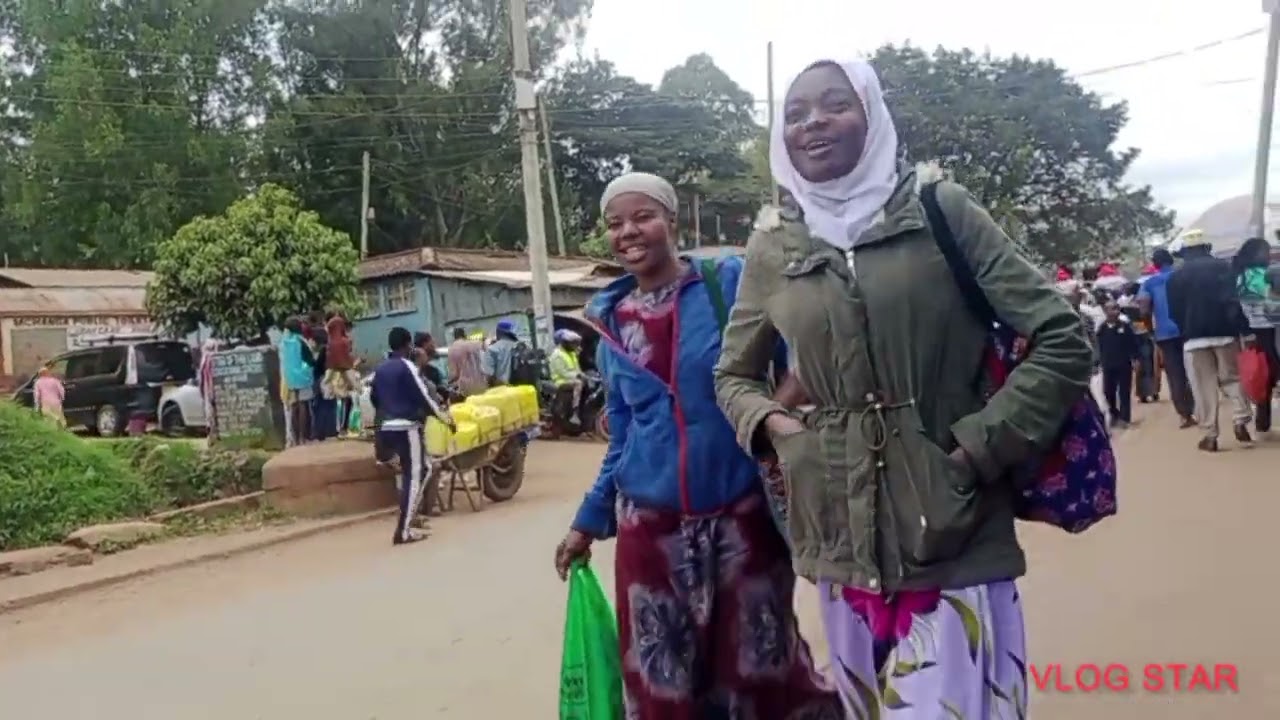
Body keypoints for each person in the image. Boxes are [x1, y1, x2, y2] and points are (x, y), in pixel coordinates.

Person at [713, 60, 1093, 717]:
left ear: (872, 113)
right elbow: (733, 374)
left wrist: (975, 448)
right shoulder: (775, 243)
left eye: (836, 104)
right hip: (840, 537)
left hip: (954, 532)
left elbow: (1062, 337)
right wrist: (786, 434)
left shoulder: (938, 210)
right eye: (796, 113)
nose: (814, 123)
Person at [552, 172, 837, 718]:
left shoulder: (725, 284)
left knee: (761, 674)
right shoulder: (611, 325)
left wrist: (769, 416)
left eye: (643, 216)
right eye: (615, 224)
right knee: (662, 685)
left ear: (673, 221)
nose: (629, 232)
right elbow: (623, 437)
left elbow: (809, 353)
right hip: (650, 531)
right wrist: (586, 523)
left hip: (743, 520)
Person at [1166, 231, 1252, 451]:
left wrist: (1186, 327)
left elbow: (1174, 312)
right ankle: (1240, 418)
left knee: (1203, 386)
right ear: (1207, 248)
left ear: (1185, 253)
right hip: (1225, 333)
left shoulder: (1176, 277)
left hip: (1193, 338)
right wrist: (1242, 330)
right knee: (1232, 378)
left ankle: (1211, 435)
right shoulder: (1224, 268)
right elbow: (1235, 301)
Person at [369, 327, 454, 545]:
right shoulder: (407, 366)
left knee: (417, 471)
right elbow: (424, 396)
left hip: (386, 426)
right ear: (408, 345)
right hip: (407, 427)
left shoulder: (380, 369)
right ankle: (404, 529)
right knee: (418, 472)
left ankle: (407, 521)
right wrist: (445, 419)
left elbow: (374, 397)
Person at [1139, 248, 1197, 428]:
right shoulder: (1183, 276)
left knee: (1175, 374)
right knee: (1194, 369)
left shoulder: (1150, 283)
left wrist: (1150, 329)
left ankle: (1185, 415)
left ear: (1155, 264)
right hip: (1189, 329)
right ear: (1171, 261)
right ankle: (1200, 407)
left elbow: (1143, 308)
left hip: (1164, 334)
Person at [1234, 237, 1280, 432]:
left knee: (1263, 375)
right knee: (1273, 371)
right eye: (1267, 251)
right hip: (1273, 327)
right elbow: (1273, 302)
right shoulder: (1262, 275)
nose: (1269, 255)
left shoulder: (1241, 276)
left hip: (1254, 331)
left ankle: (1263, 420)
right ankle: (1263, 420)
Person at [1097, 301, 1139, 428]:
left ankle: (1125, 419)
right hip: (1108, 365)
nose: (1114, 312)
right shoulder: (1101, 329)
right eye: (1111, 309)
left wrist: (1136, 359)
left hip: (1124, 364)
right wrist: (1099, 362)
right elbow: (1099, 347)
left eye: (1116, 309)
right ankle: (1114, 415)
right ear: (1105, 311)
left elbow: (1133, 344)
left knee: (1124, 392)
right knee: (1108, 391)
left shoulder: (1125, 327)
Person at [280, 316, 314, 446]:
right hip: (303, 376)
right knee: (303, 405)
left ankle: (295, 438)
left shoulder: (284, 343)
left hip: (290, 378)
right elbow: (309, 359)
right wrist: (307, 368)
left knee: (294, 406)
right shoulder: (300, 341)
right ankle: (302, 437)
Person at [323, 314, 360, 432]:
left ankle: (340, 428)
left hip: (335, 375)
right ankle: (344, 427)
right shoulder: (344, 341)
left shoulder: (330, 343)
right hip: (342, 374)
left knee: (342, 401)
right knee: (348, 399)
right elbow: (346, 360)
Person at [548, 329, 585, 424]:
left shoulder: (571, 354)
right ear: (565, 343)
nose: (575, 346)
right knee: (578, 384)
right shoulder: (557, 355)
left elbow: (576, 368)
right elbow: (562, 372)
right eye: (572, 344)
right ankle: (574, 412)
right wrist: (577, 375)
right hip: (560, 381)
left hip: (570, 379)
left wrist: (581, 374)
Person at [447, 327, 487, 397]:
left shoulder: (453, 348)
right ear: (464, 335)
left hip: (465, 389)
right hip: (482, 385)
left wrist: (448, 382)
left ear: (454, 336)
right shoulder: (476, 344)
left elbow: (455, 375)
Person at [481, 320, 519, 386]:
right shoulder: (521, 346)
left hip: (504, 392)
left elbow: (488, 376)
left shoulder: (492, 349)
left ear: (499, 332)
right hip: (526, 390)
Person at [197, 339, 220, 438]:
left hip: (211, 391)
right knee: (211, 414)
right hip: (210, 390)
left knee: (211, 413)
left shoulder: (207, 360)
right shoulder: (209, 359)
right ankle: (212, 434)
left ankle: (213, 434)